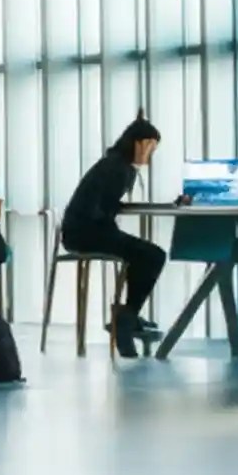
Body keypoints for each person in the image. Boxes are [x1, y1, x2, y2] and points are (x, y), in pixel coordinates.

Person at [60, 111, 168, 358]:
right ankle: (126, 319)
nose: (151, 154)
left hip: (79, 232)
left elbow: (102, 203)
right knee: (153, 256)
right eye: (150, 147)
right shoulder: (120, 169)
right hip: (87, 234)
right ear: (139, 144)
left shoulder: (113, 163)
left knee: (142, 255)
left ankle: (127, 316)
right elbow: (99, 208)